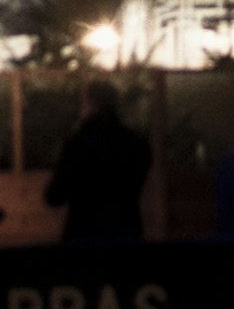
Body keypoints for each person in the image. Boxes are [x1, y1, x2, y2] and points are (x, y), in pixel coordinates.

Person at [45, 89, 154, 248]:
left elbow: (54, 197)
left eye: (84, 105)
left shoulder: (78, 144)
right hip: (126, 232)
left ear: (91, 106)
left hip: (83, 233)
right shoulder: (135, 143)